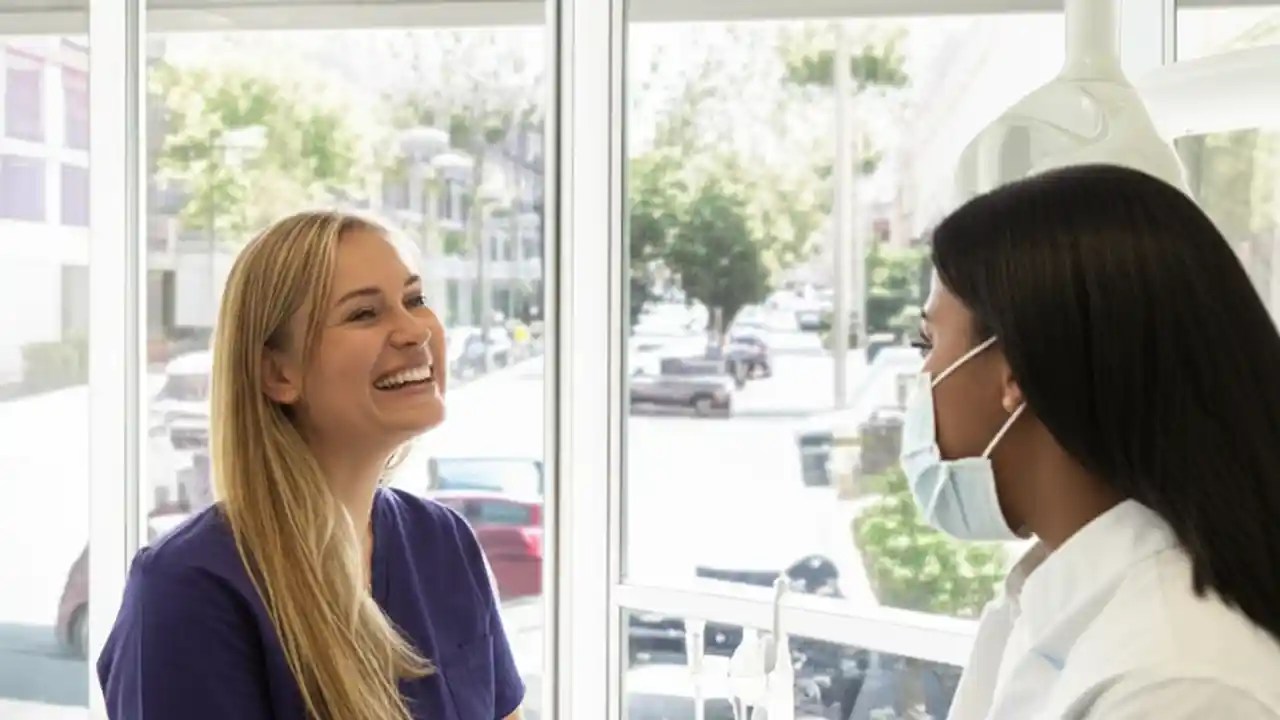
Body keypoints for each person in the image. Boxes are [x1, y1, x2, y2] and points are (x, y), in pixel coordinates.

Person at [98, 211, 525, 720]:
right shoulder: (189, 588)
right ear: (279, 374)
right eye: (365, 313)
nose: (414, 331)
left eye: (414, 300)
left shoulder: (443, 541)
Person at [901, 164, 1280, 719]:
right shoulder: (1057, 597)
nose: (924, 376)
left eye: (926, 343)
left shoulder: (1180, 682)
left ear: (1015, 377)